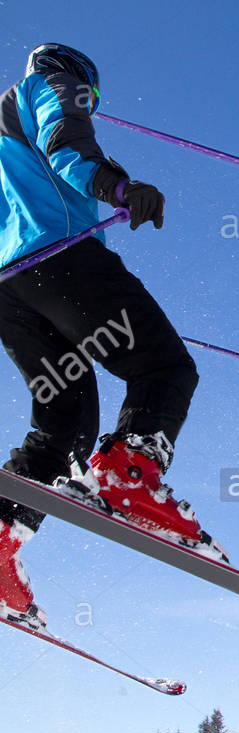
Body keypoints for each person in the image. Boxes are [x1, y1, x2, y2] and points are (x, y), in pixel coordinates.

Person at [0, 43, 213, 626]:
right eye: (92, 96)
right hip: (61, 259)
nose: (90, 103)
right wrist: (117, 186)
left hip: (9, 290)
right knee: (164, 369)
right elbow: (66, 141)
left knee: (66, 421)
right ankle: (129, 475)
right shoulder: (56, 85)